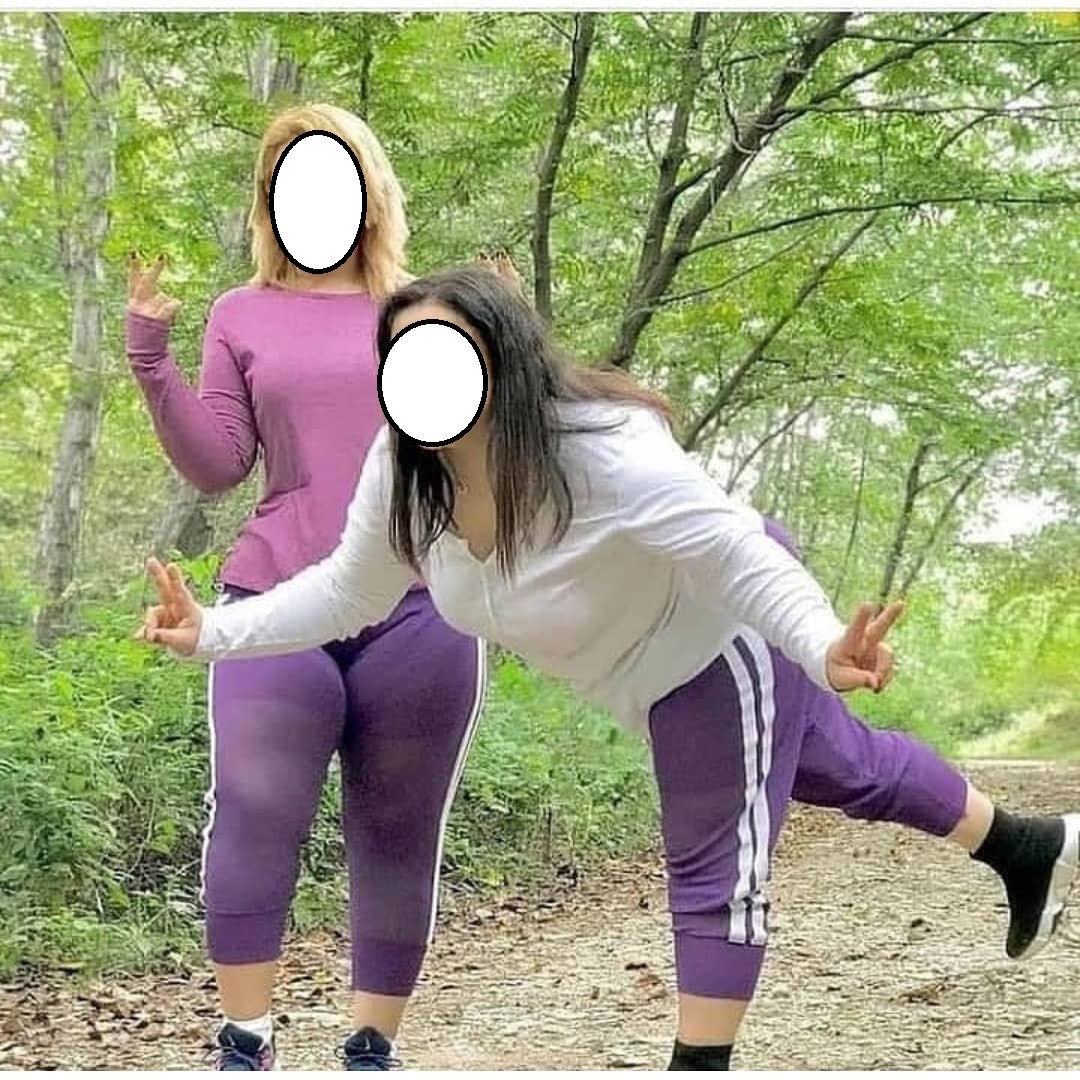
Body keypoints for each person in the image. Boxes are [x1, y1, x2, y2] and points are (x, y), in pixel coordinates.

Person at [136, 265, 1079, 1071]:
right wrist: (213, 631)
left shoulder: (602, 448)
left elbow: (736, 549)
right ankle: (1028, 846)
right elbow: (347, 591)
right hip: (641, 674)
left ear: (505, 362)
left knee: (714, 857)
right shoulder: (405, 468)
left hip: (716, 639)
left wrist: (823, 643)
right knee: (846, 767)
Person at [125, 109, 487, 1071]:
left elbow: (480, 451)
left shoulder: (425, 312)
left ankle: (371, 1046)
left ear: (370, 193)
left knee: (399, 829)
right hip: (275, 598)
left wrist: (507, 346)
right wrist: (151, 360)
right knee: (252, 804)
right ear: (270, 200)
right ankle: (245, 1039)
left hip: (421, 607)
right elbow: (218, 463)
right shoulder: (242, 313)